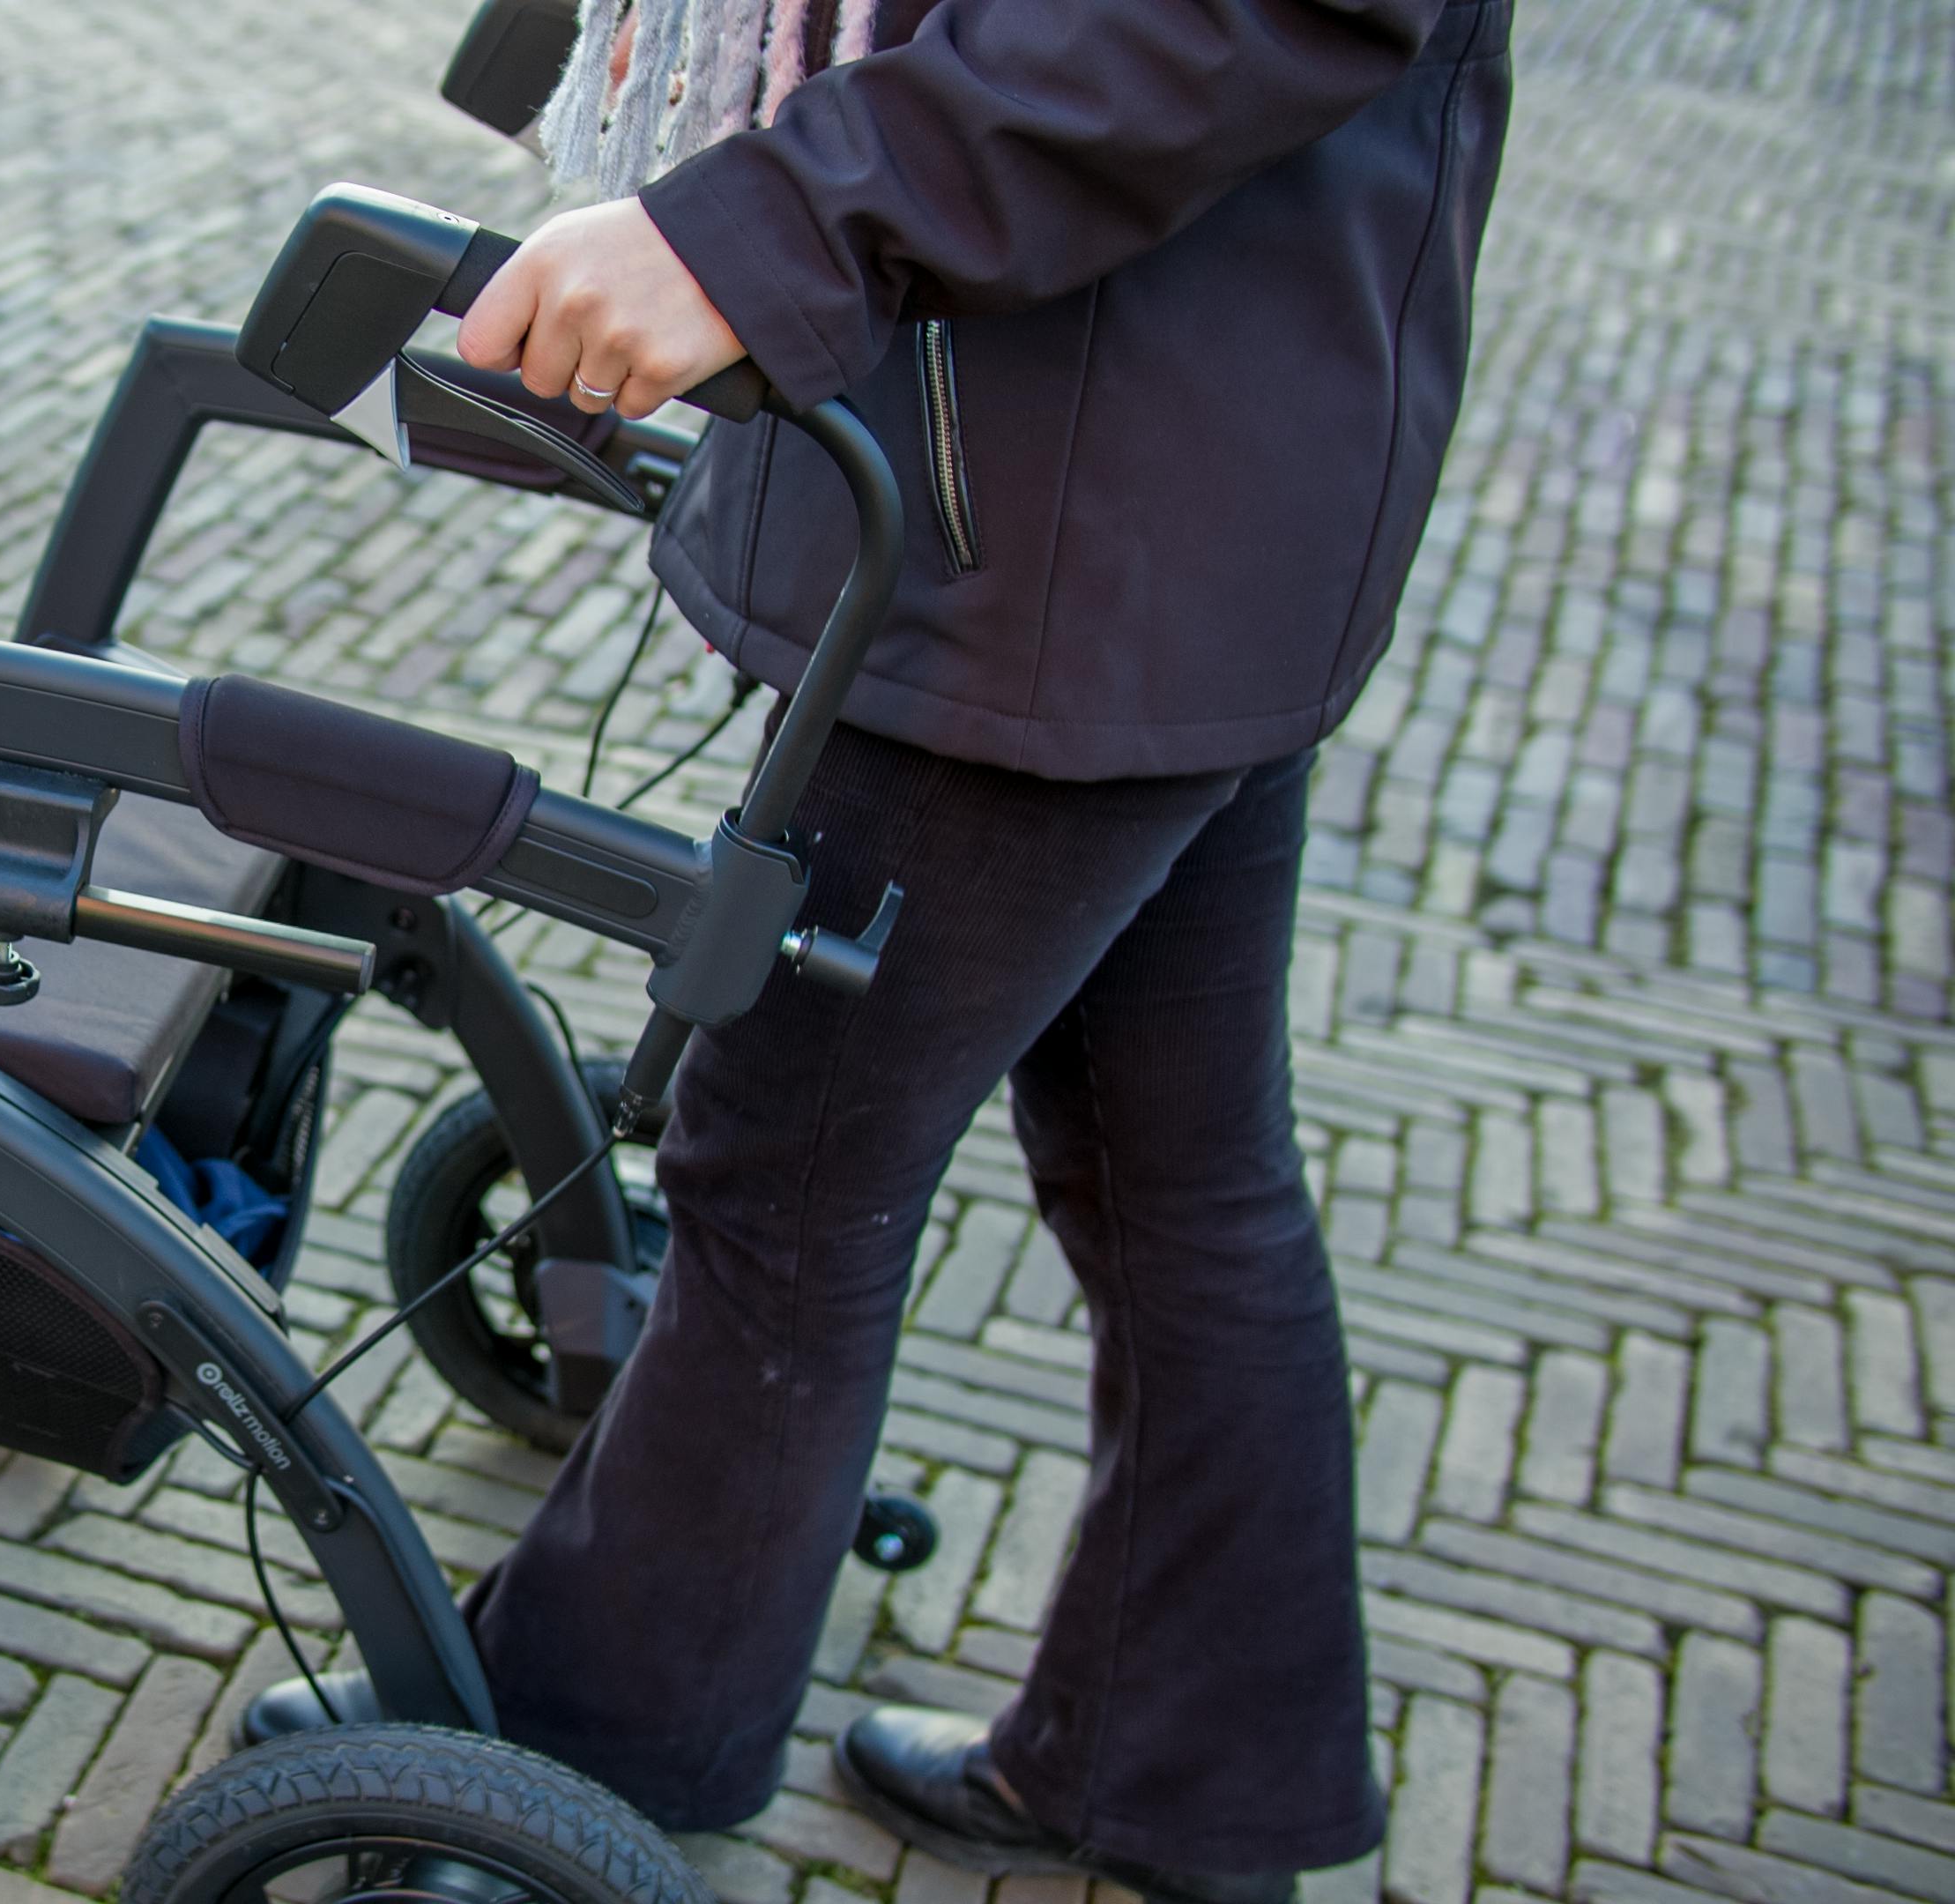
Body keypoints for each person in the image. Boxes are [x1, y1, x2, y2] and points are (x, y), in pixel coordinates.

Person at [234, 4, 1516, 1900]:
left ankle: (575, 1767)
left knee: (786, 1172)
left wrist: (767, 224)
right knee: (1177, 1169)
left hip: (1061, 523)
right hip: (1184, 498)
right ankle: (1180, 1769)